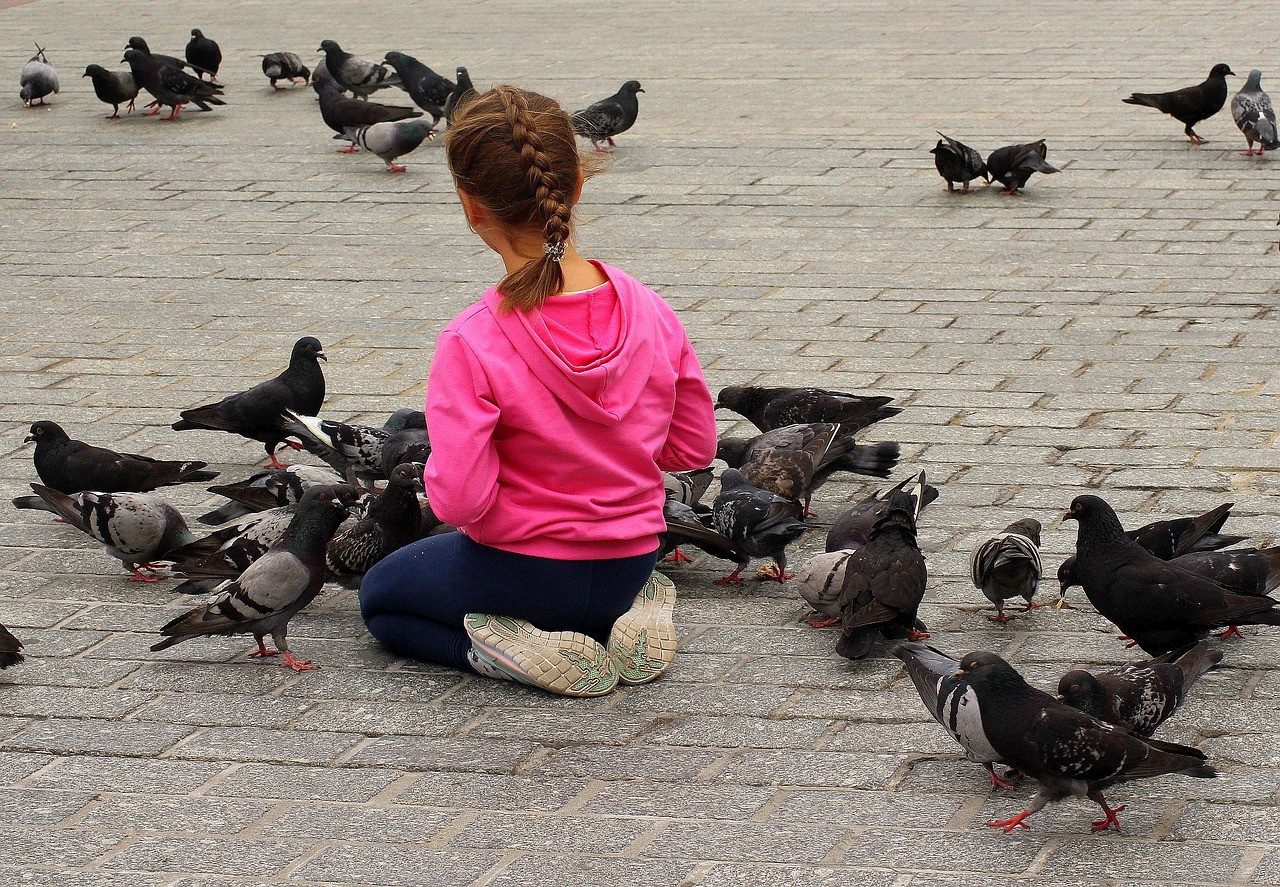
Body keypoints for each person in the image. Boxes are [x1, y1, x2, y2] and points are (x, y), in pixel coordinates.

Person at [359, 85, 718, 697]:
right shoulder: (652, 310)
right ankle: (624, 621)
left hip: (522, 575)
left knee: (383, 595)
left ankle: (501, 653)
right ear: (576, 183)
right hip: (630, 566)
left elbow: (461, 503)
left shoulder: (471, 339)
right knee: (587, 593)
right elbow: (692, 449)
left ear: (471, 206)